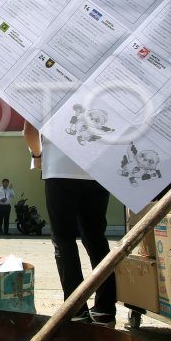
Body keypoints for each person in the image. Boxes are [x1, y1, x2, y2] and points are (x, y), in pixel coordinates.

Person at [23, 121, 116, 326]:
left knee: (64, 240)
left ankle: (76, 309)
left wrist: (37, 155)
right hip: (97, 169)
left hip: (59, 169)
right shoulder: (98, 89)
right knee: (96, 239)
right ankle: (105, 309)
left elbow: (29, 129)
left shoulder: (46, 90)